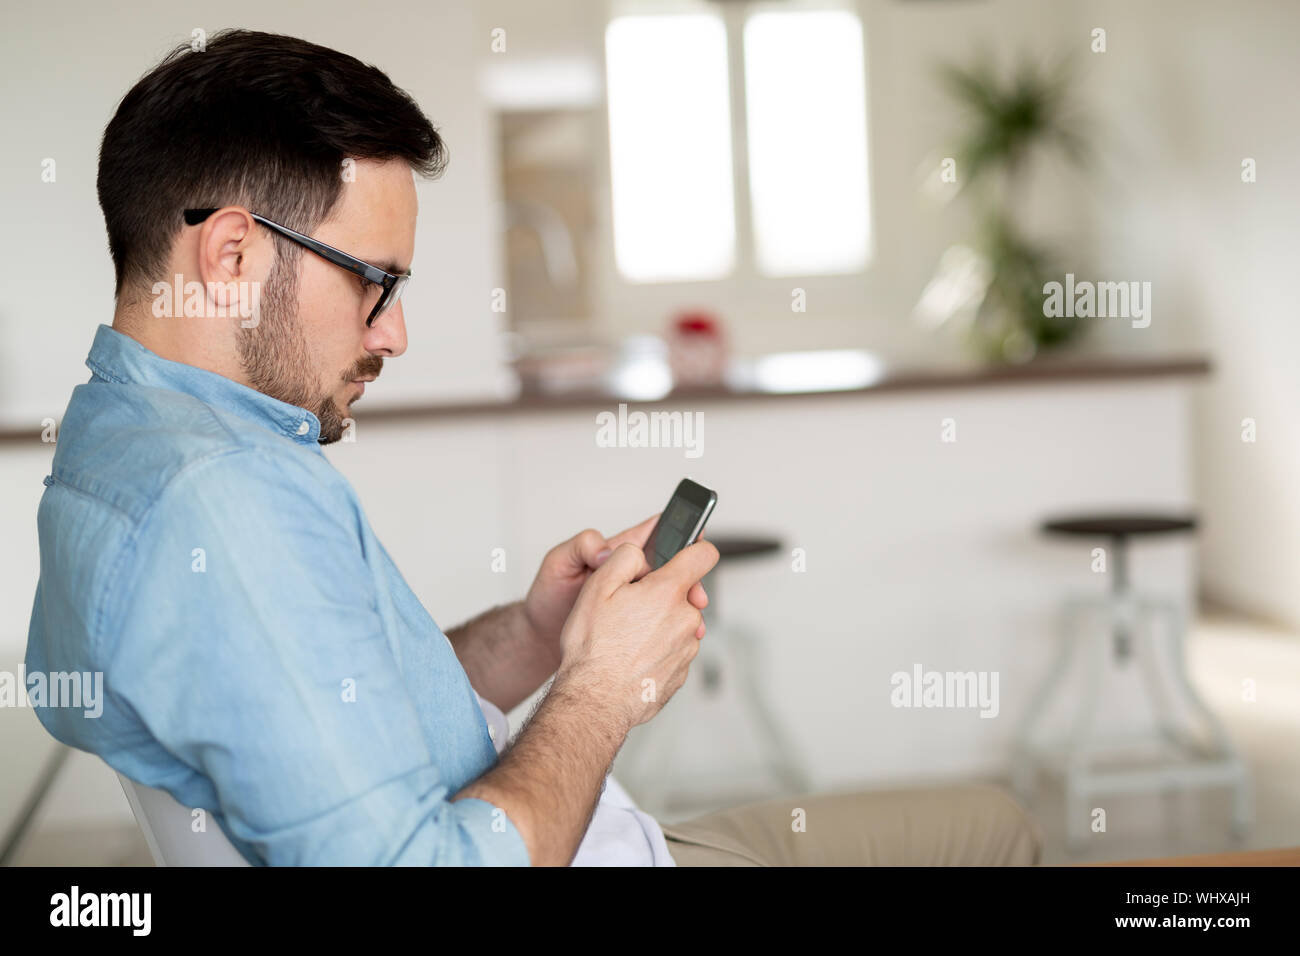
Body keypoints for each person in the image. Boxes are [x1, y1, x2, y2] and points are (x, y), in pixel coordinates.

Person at [25, 29, 1042, 867]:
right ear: (233, 253)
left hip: (614, 837)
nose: (392, 333)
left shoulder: (118, 442)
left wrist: (535, 631)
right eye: (371, 281)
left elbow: (328, 701)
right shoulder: (223, 500)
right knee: (996, 829)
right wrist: (603, 689)